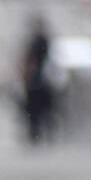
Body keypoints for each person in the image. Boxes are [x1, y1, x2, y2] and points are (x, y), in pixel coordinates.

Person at [20, 15, 55, 145]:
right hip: (40, 82)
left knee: (38, 110)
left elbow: (33, 61)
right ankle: (38, 134)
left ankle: (37, 134)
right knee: (40, 111)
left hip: (39, 82)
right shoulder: (42, 41)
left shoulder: (39, 42)